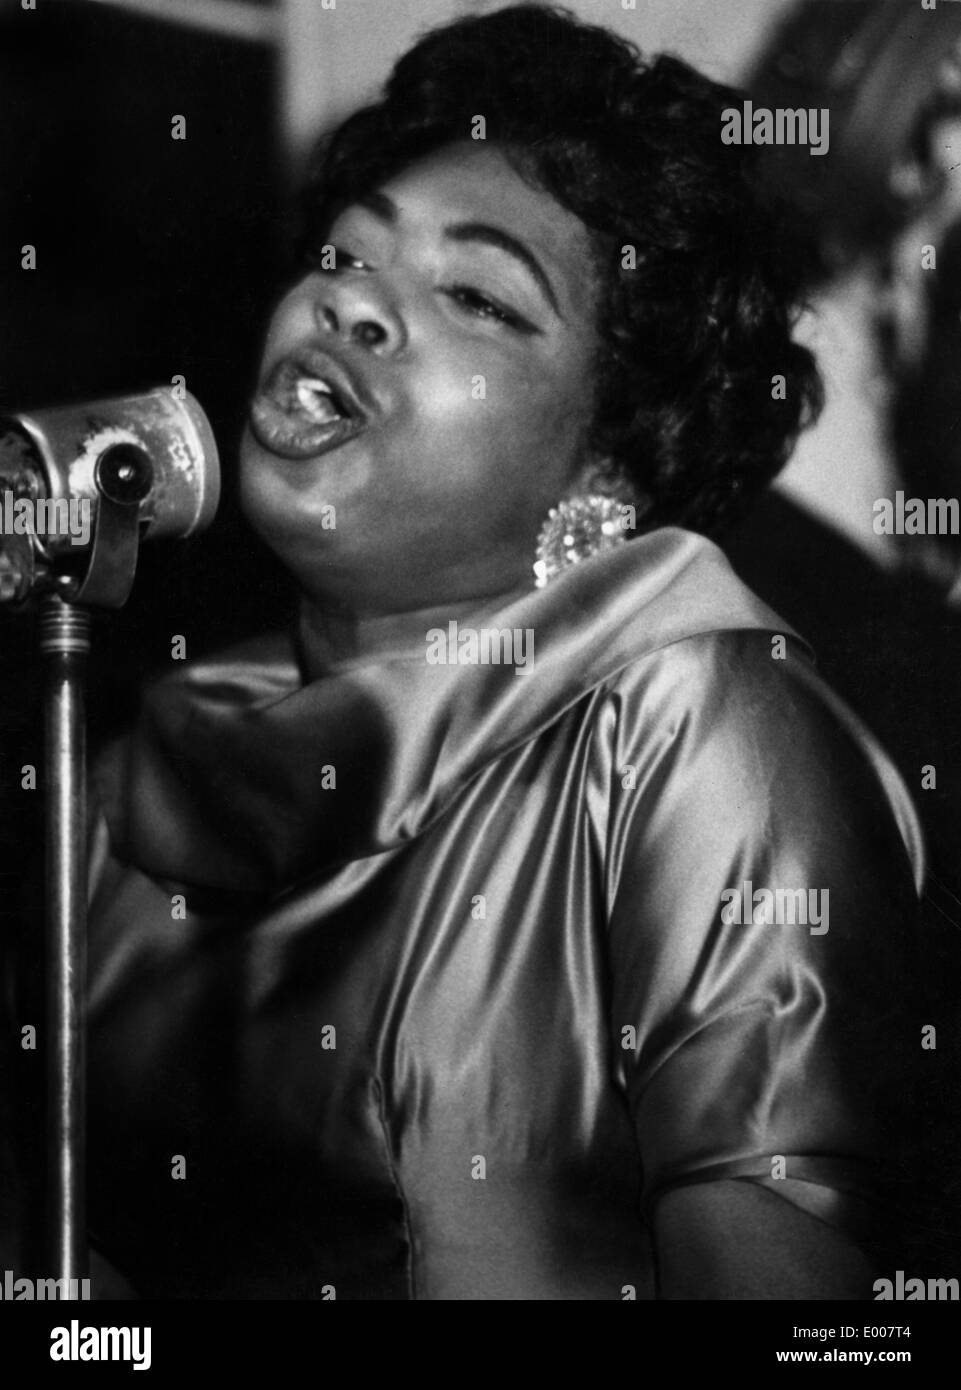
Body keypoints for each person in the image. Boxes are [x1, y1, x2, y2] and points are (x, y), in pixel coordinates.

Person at [1, 3, 930, 1299]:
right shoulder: (133, 765)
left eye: (476, 295)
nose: (353, 303)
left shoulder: (687, 717)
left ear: (600, 478)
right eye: (344, 254)